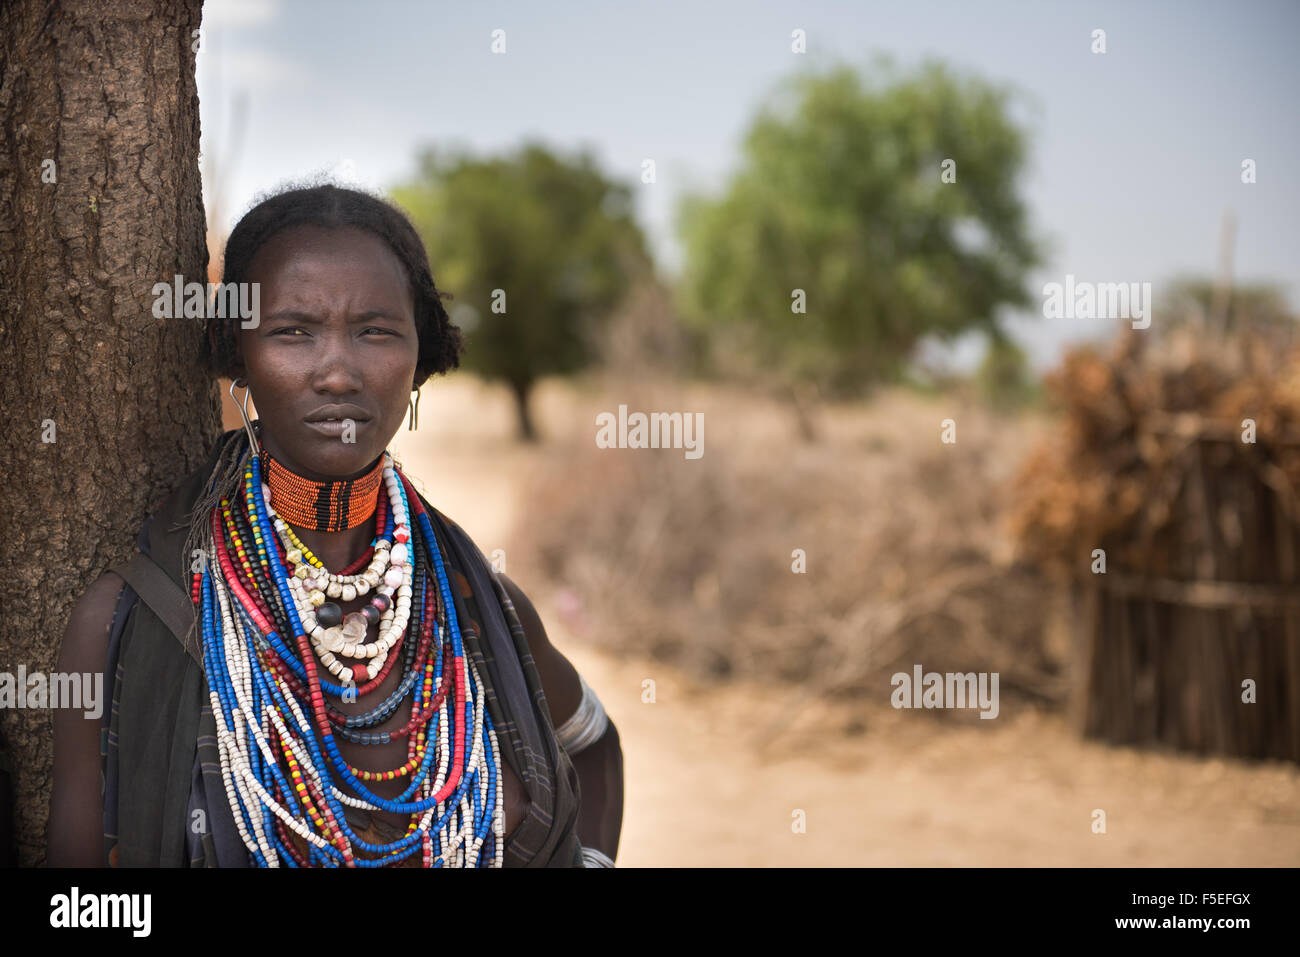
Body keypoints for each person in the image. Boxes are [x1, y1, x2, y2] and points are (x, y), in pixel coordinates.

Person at [48, 183, 623, 867]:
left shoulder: (480, 607)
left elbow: (592, 743)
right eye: (293, 331)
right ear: (240, 353)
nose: (339, 372)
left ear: (419, 357)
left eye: (375, 331)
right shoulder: (130, 619)